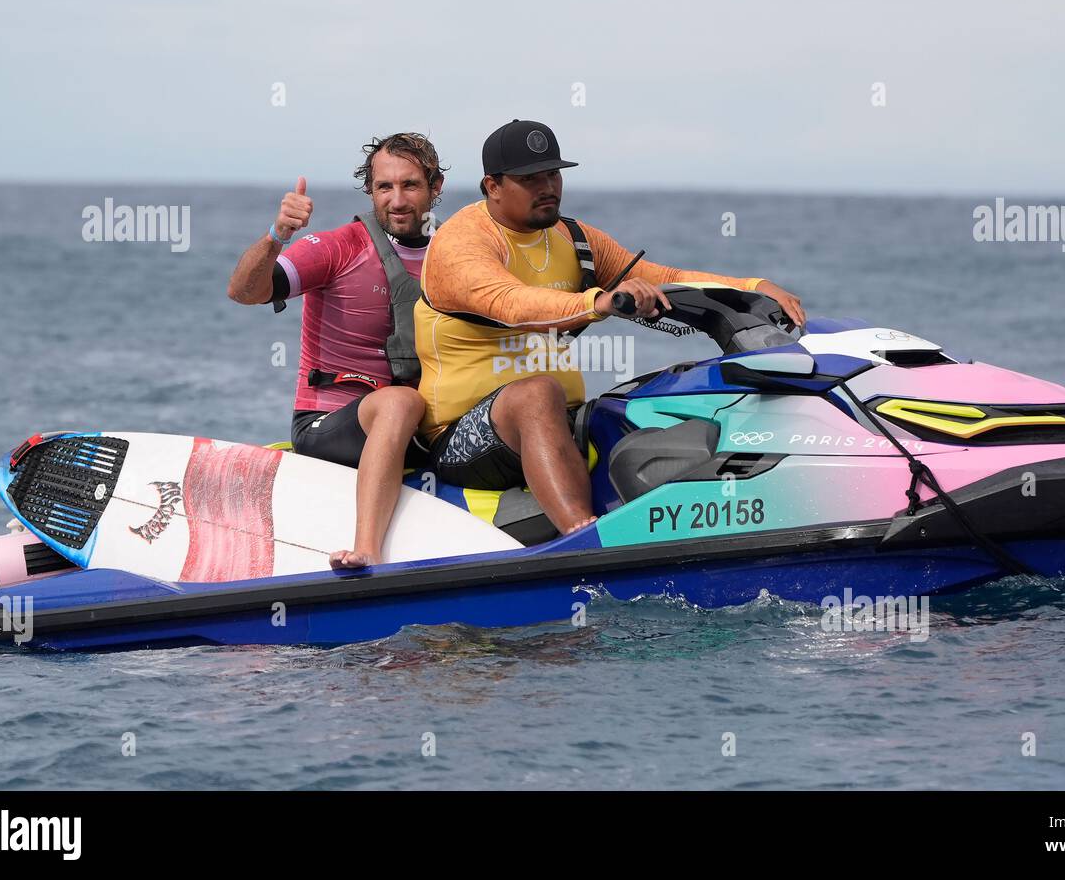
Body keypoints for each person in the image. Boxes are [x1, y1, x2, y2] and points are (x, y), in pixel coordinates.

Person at [414, 120, 806, 535]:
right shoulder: (460, 242)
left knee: (658, 397)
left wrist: (750, 287)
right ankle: (582, 539)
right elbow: (510, 304)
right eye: (530, 179)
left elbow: (663, 275)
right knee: (537, 392)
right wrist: (597, 302)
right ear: (493, 186)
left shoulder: (574, 238)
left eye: (553, 174)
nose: (548, 186)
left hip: (563, 418)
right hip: (460, 438)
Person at [227, 133, 446, 567]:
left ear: (435, 188)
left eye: (410, 185)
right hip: (328, 423)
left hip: (421, 427)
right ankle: (367, 549)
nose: (397, 200)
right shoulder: (341, 246)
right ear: (370, 190)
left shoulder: (454, 251)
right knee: (400, 402)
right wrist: (277, 235)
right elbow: (244, 291)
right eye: (385, 187)